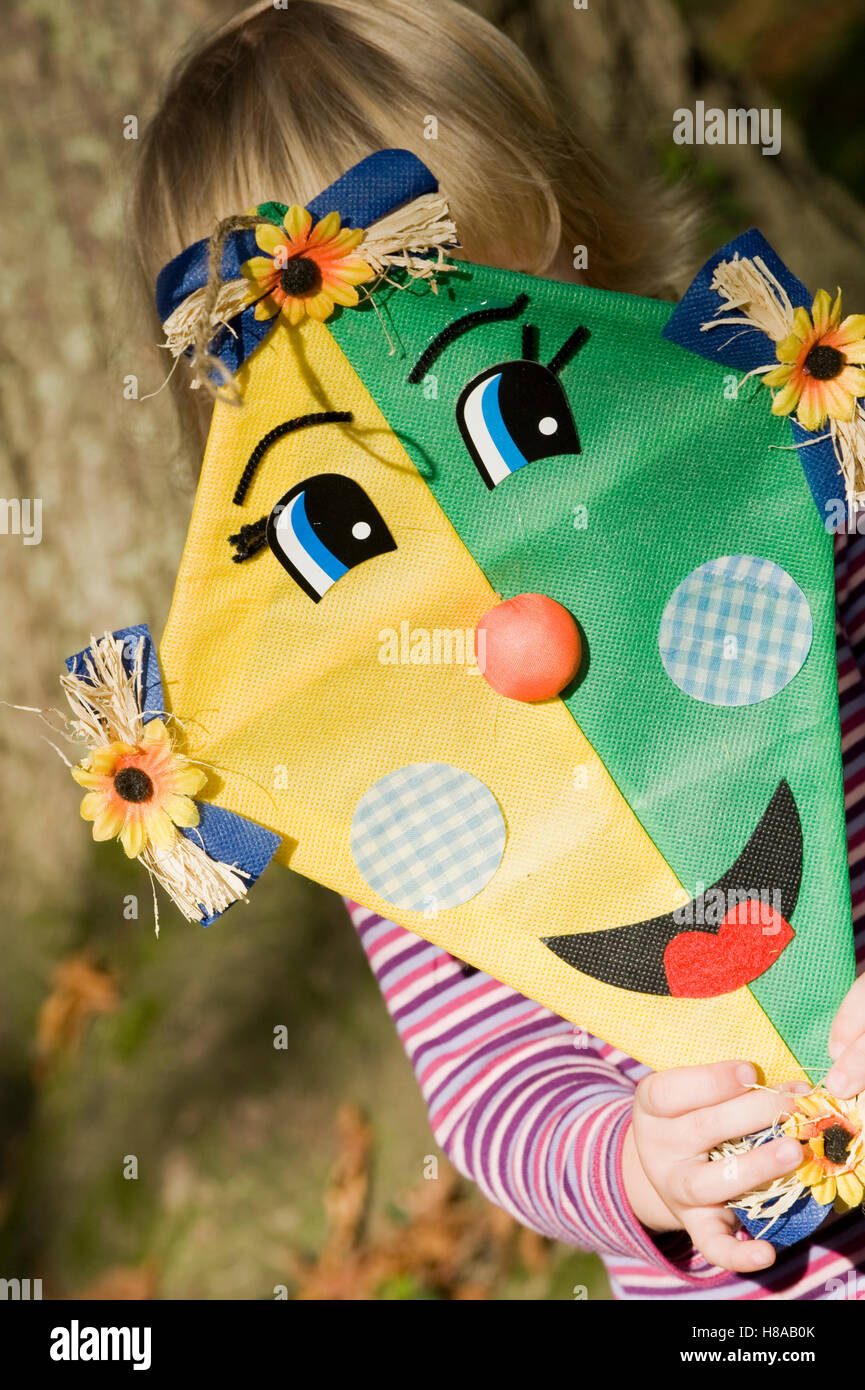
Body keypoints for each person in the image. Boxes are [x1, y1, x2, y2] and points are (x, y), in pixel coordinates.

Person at [132, 0, 865, 1298]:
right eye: (373, 500)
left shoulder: (784, 496)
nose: (503, 585)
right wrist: (632, 1165)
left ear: (605, 278)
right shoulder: (384, 772)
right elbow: (491, 1085)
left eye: (529, 410)